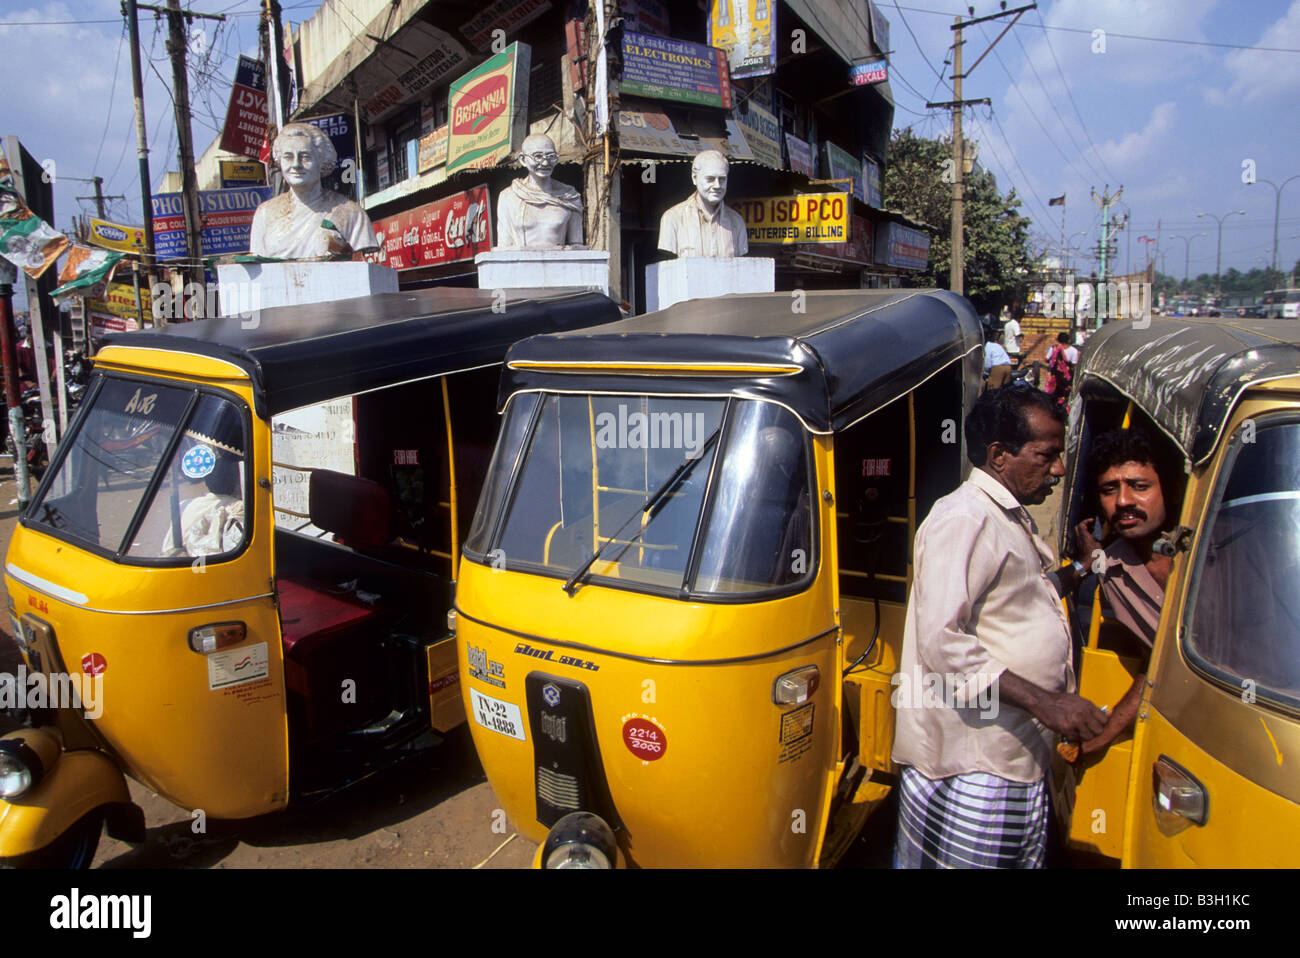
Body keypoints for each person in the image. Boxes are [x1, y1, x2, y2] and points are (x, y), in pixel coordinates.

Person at [892, 388, 1107, 868]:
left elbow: (1022, 593)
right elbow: (943, 642)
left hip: (1006, 755)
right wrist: (1047, 702)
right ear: (998, 456)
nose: (1059, 470)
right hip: (973, 769)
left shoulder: (1003, 513)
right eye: (1046, 456)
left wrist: (1084, 568)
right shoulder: (963, 518)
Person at [1054, 429, 1175, 761]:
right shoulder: (1112, 569)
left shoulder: (1218, 544)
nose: (1123, 501)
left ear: (1169, 487)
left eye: (1139, 486)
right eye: (1110, 490)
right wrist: (1095, 740)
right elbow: (1157, 664)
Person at [249, 122, 378, 260]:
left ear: (322, 161)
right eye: (288, 157)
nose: (296, 165)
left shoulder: (351, 214)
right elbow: (257, 268)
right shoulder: (265, 214)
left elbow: (364, 266)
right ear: (280, 161)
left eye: (305, 157)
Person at [495, 134, 585, 249]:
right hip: (520, 265)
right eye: (537, 156)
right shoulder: (508, 197)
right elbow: (504, 248)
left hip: (560, 265)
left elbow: (577, 247)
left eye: (551, 156)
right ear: (523, 159)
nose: (545, 163)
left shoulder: (570, 196)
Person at [658, 150, 748, 257]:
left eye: (722, 179)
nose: (717, 185)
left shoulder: (736, 222)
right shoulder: (673, 218)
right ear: (695, 178)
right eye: (710, 179)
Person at [1043, 332, 1073, 408]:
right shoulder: (1074, 350)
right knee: (1065, 394)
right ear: (1068, 340)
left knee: (1052, 394)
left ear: (1058, 340)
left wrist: (1054, 361)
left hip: (1054, 375)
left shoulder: (1054, 348)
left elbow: (1046, 359)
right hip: (1066, 378)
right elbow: (1074, 365)